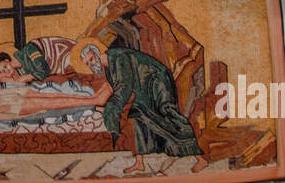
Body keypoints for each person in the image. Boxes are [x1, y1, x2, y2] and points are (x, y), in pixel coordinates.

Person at [83, 38, 208, 175]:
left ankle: (200, 158)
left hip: (158, 83)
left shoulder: (119, 57)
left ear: (96, 53)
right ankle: (139, 163)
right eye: (87, 63)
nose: (90, 64)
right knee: (137, 115)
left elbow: (124, 86)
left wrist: (114, 106)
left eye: (91, 59)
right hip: (143, 87)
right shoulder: (108, 67)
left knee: (168, 114)